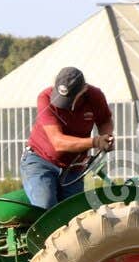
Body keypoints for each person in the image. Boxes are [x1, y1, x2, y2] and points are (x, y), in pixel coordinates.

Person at [19, 66, 113, 210]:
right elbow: (58, 142)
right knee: (46, 207)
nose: (63, 102)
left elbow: (105, 121)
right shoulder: (45, 98)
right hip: (40, 161)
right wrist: (95, 142)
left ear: (83, 90)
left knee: (74, 214)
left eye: (69, 99)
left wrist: (106, 137)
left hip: (73, 168)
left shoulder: (95, 96)